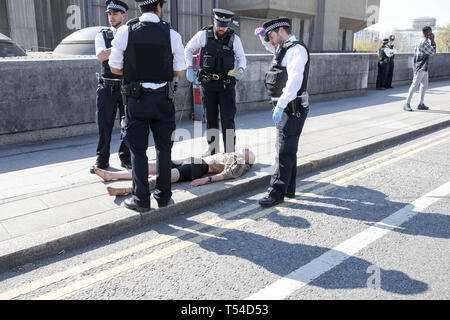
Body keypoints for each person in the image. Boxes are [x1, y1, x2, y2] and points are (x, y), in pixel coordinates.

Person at [109, 0, 186, 212]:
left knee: (138, 150)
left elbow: (115, 68)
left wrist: (136, 72)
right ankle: (163, 197)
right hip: (163, 99)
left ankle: (141, 200)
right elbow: (180, 71)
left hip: (137, 99)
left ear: (140, 8)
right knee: (164, 149)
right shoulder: (172, 34)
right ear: (159, 7)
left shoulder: (125, 31)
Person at [254, 18, 310, 208]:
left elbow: (294, 81)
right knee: (289, 148)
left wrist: (281, 105)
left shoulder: (296, 50)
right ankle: (288, 188)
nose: (270, 40)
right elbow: (274, 52)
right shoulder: (284, 48)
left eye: (271, 36)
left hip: (291, 107)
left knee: (283, 150)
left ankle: (276, 193)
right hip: (287, 106)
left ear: (281, 31)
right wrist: (263, 39)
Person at [184, 8, 247, 156]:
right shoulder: (203, 35)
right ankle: (212, 149)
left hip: (227, 85)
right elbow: (187, 49)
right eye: (219, 25)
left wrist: (241, 70)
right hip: (208, 84)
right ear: (214, 21)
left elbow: (241, 58)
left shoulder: (234, 38)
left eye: (224, 25)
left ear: (228, 25)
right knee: (210, 118)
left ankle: (230, 152)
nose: (221, 28)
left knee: (228, 119)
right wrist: (189, 67)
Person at [92, 149, 256, 196]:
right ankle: (111, 175)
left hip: (199, 168)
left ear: (248, 161)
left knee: (164, 177)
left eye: (246, 153)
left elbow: (227, 174)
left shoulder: (241, 164)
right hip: (194, 159)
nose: (244, 151)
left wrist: (205, 181)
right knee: (153, 165)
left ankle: (127, 190)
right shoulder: (238, 157)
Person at [91, 0, 131, 173]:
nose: (111, 17)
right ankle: (102, 160)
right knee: (104, 125)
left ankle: (126, 158)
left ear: (123, 15)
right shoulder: (103, 34)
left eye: (115, 14)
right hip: (107, 87)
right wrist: (118, 44)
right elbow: (101, 56)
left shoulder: (131, 32)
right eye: (109, 14)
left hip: (126, 87)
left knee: (128, 125)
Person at [403, 26, 436, 112]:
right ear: (428, 33)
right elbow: (433, 52)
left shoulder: (420, 40)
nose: (432, 34)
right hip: (421, 66)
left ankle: (420, 104)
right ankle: (406, 103)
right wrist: (432, 41)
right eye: (431, 32)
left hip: (423, 66)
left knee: (424, 85)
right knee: (414, 85)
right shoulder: (424, 43)